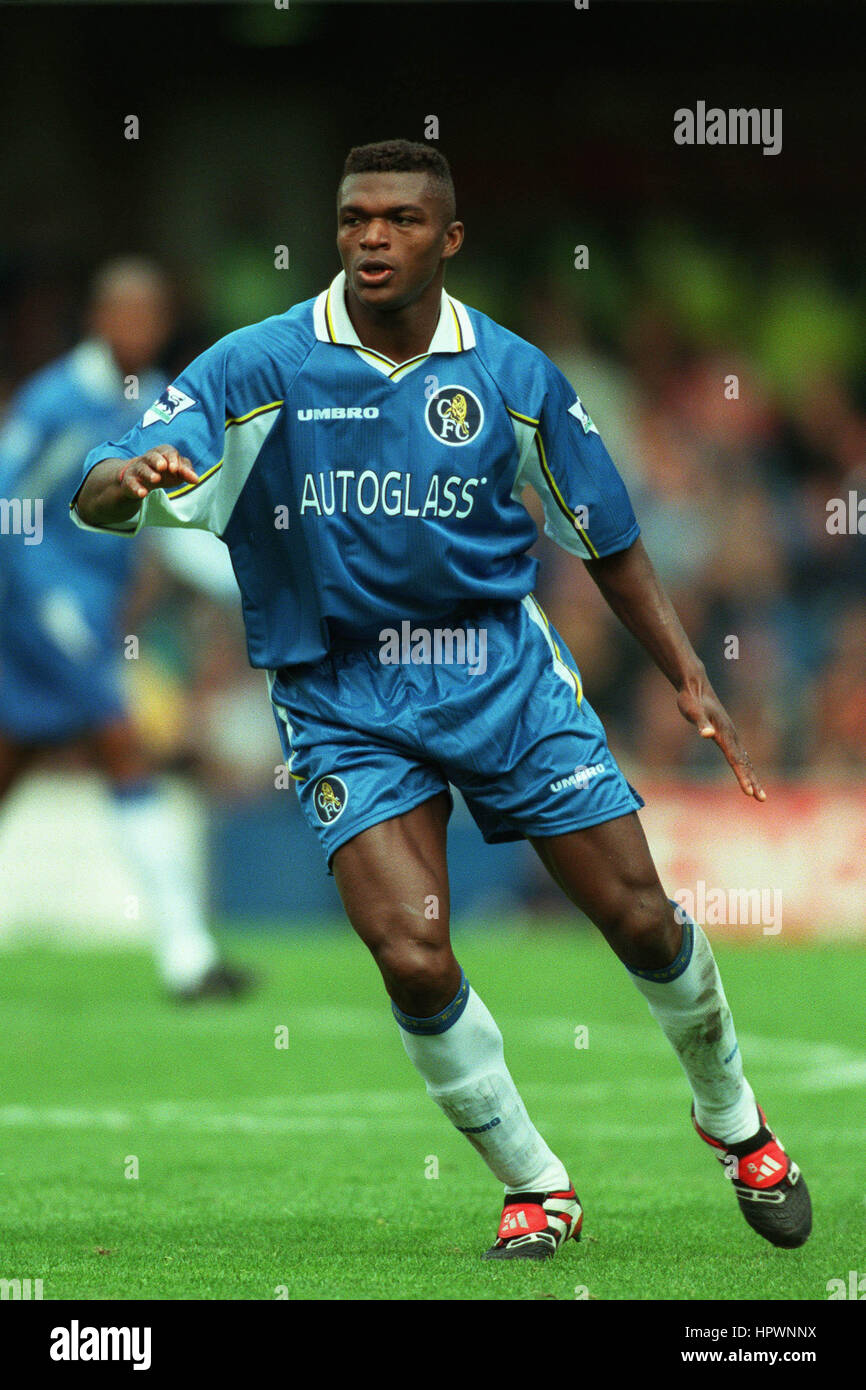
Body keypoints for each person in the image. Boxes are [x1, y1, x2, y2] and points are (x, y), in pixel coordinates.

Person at [71, 143, 811, 1257]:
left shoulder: (511, 376)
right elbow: (112, 472)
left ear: (447, 239)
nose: (373, 237)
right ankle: (534, 1183)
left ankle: (735, 1120)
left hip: (499, 673)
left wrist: (685, 673)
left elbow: (604, 535)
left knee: (641, 923)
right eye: (354, 218)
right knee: (412, 955)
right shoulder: (256, 365)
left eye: (401, 220)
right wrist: (125, 480)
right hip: (339, 694)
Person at [0, 258, 255, 1001]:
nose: (145, 330)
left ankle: (190, 956)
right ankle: (188, 958)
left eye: (156, 316)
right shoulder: (56, 400)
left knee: (15, 762)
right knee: (123, 745)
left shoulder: (151, 402)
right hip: (43, 615)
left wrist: (246, 582)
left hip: (89, 616)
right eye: (131, 314)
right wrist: (46, 600)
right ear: (100, 319)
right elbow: (10, 503)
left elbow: (167, 522)